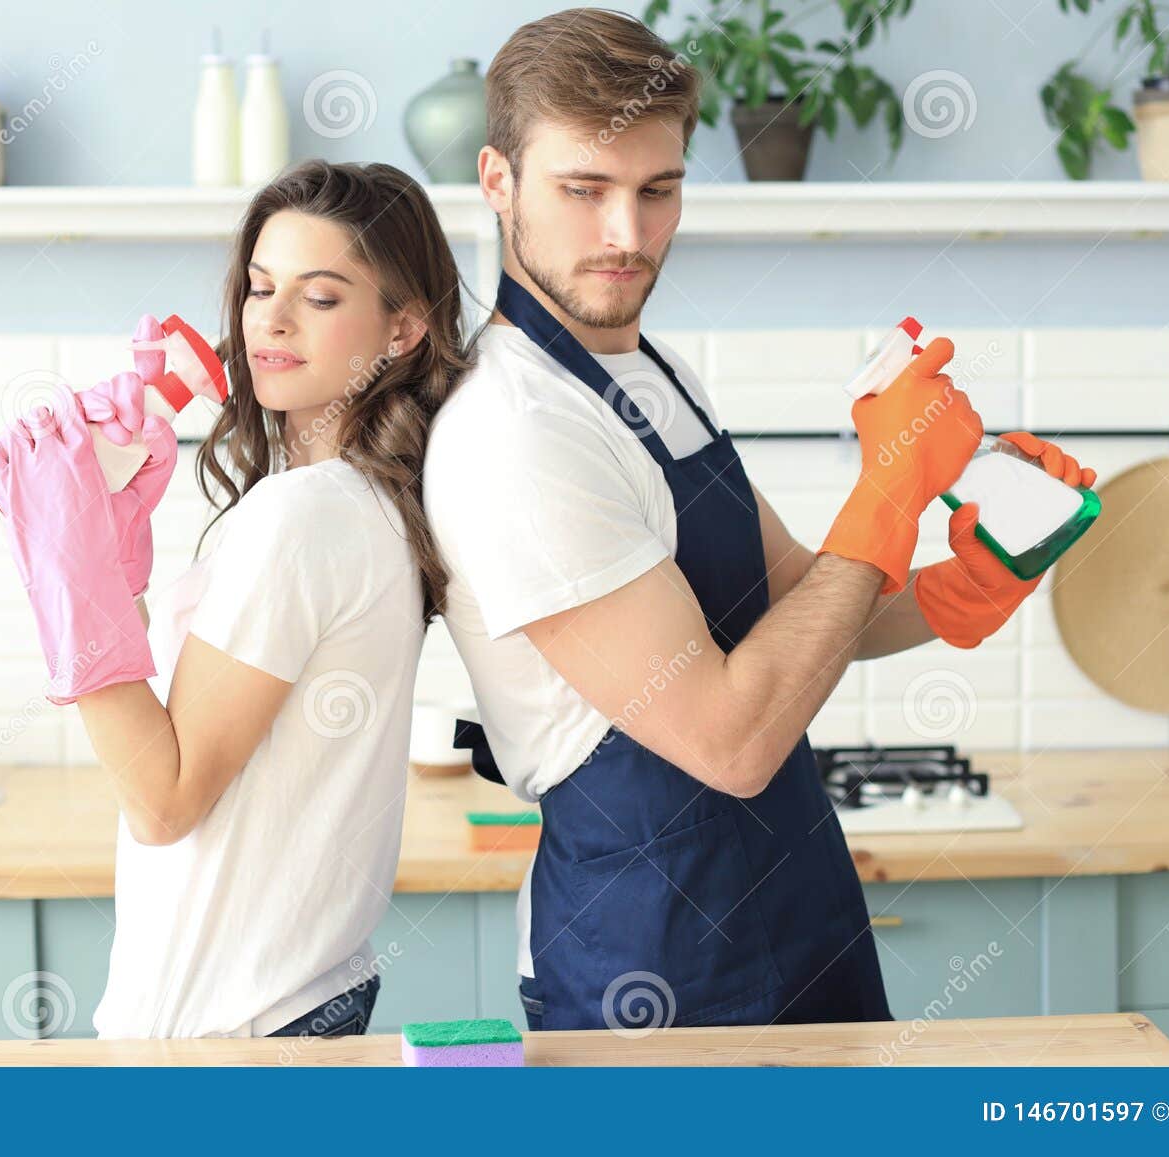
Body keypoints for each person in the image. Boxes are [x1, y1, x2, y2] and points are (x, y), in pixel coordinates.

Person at [423, 9, 1097, 1032]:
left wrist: (969, 583)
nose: (626, 234)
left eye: (659, 191)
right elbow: (730, 740)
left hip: (797, 916)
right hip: (651, 965)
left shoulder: (649, 372)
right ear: (497, 180)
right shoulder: (512, 429)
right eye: (583, 190)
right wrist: (886, 491)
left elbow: (799, 602)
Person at [0, 160, 471, 1038]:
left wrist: (72, 567)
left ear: (402, 330)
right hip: (289, 1006)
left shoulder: (305, 515)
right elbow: (184, 733)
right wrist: (114, 560)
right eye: (259, 287)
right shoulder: (356, 501)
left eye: (320, 297)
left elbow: (163, 798)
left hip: (234, 1037)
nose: (270, 320)